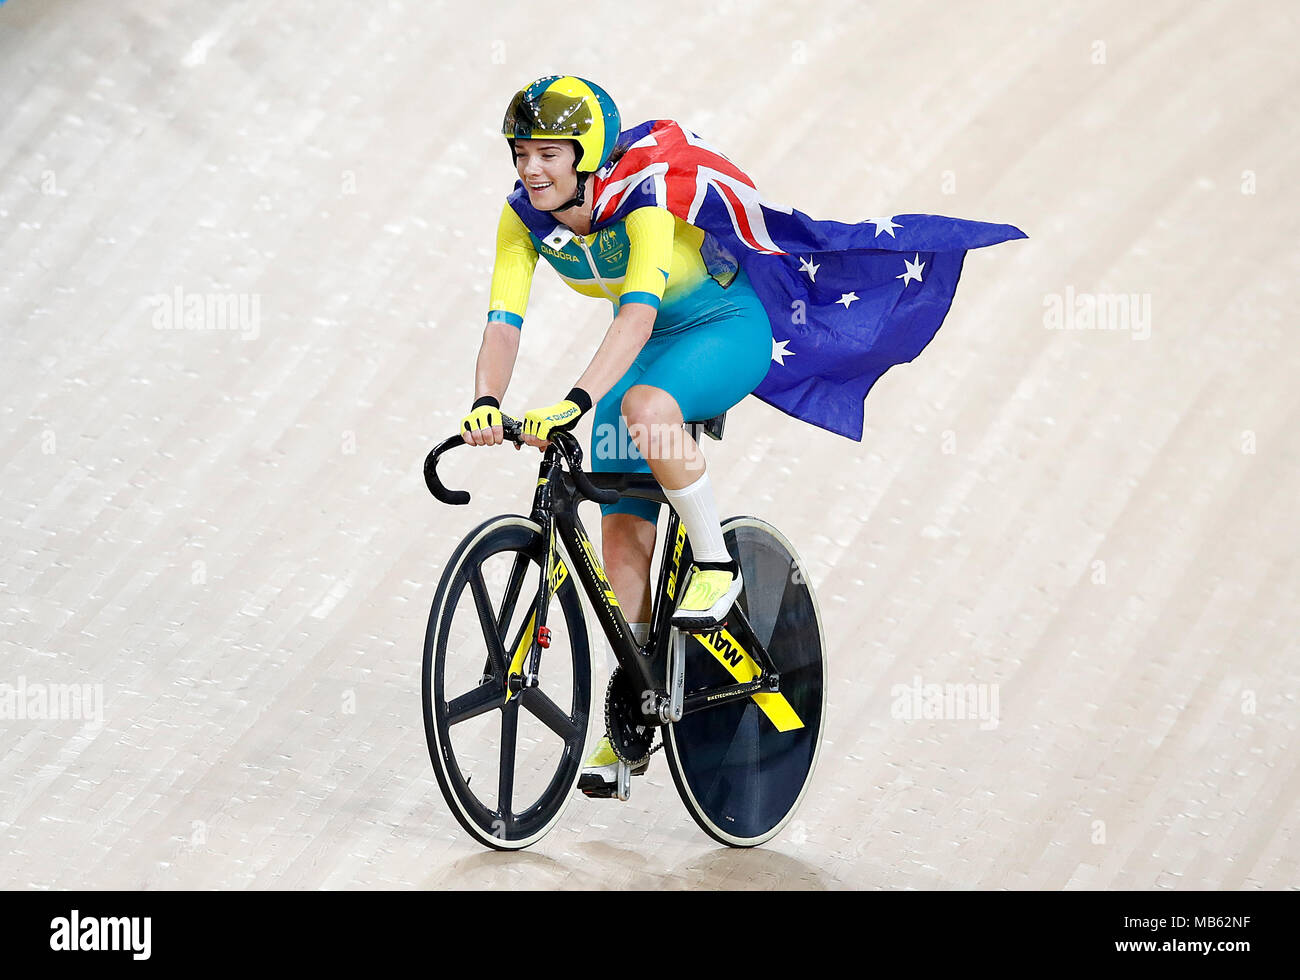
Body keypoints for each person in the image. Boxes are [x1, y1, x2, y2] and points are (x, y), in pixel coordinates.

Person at [460, 75, 772, 794]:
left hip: (722, 329)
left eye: (547, 153)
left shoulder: (643, 199)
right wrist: (485, 401)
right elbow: (503, 322)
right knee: (619, 525)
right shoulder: (522, 221)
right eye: (521, 153)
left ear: (586, 154)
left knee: (644, 411)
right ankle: (634, 704)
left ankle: (717, 565)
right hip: (647, 350)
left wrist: (573, 399)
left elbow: (633, 318)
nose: (530, 169)